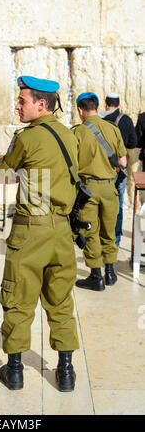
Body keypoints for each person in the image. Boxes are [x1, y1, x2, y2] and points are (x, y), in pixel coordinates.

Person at [0, 76, 80, 392]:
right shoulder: (70, 136)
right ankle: (66, 372)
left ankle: (15, 370)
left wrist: (13, 153)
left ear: (41, 104)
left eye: (22, 101)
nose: (17, 106)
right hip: (61, 231)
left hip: (30, 231)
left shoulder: (26, 138)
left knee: (17, 300)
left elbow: (6, 176)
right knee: (60, 302)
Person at [74, 92, 127, 292]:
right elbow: (122, 162)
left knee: (90, 231)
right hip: (110, 188)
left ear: (81, 110)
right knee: (109, 231)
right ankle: (111, 273)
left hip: (88, 189)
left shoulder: (78, 132)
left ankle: (96, 276)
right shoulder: (113, 129)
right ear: (97, 107)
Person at [99, 93, 137, 246]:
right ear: (119, 105)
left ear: (105, 104)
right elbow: (133, 143)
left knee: (100, 204)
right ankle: (115, 240)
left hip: (100, 169)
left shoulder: (98, 119)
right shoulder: (125, 120)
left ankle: (100, 238)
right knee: (118, 205)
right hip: (119, 170)